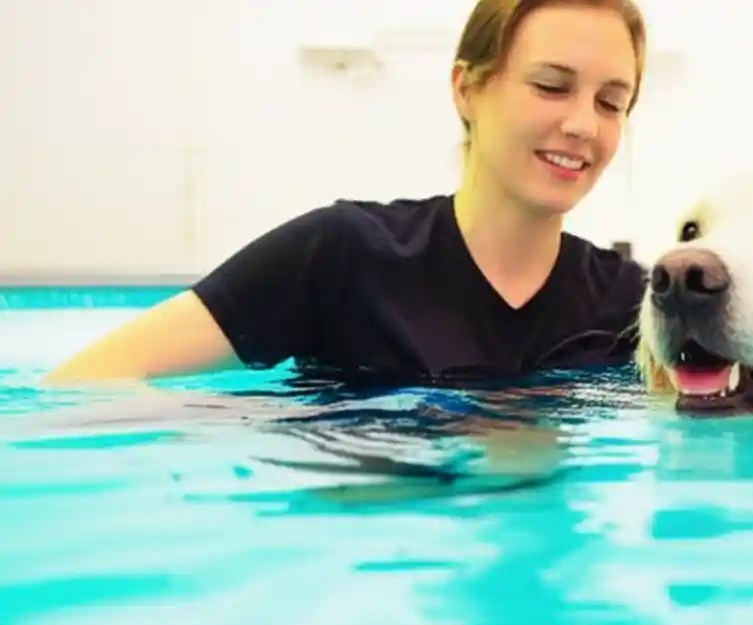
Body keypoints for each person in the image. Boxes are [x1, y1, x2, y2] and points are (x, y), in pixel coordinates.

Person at [44, 0, 649, 388]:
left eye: (610, 102)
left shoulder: (631, 304)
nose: (582, 125)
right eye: (550, 86)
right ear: (467, 89)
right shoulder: (341, 255)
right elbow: (89, 381)